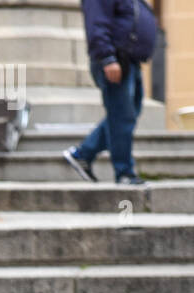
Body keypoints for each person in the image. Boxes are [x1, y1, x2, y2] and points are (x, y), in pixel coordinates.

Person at [62, 0, 158, 185]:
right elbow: (96, 23)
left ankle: (83, 154)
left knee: (126, 115)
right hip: (114, 59)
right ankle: (124, 173)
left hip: (130, 60)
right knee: (122, 116)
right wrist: (107, 57)